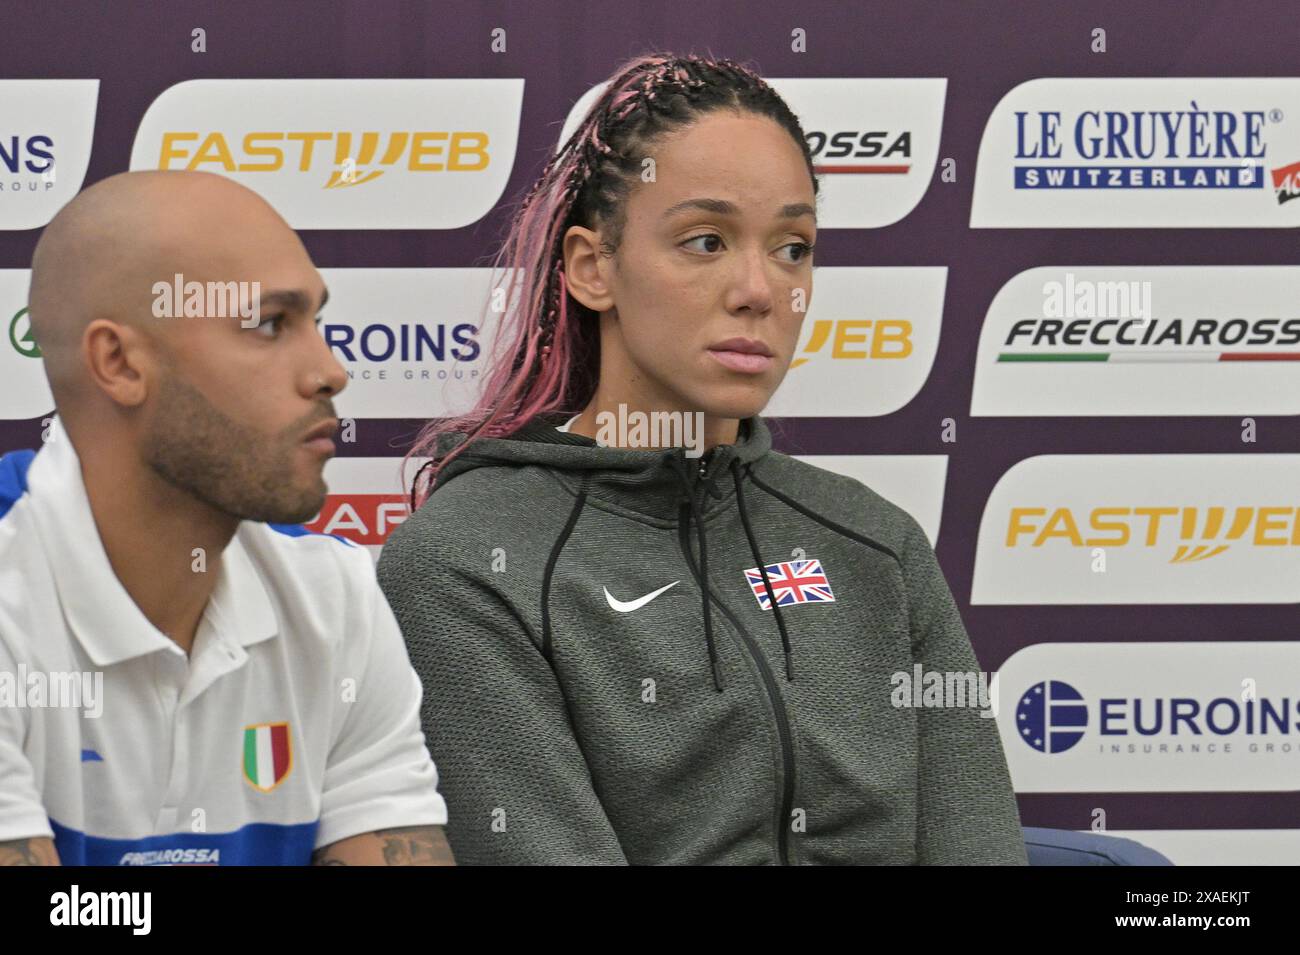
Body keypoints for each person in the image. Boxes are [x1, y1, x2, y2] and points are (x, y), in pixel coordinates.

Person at [377, 53, 1026, 865]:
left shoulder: (876, 544)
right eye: (707, 240)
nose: (760, 287)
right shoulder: (465, 563)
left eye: (794, 247)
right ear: (593, 268)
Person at [0, 170, 453, 866]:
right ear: (118, 363)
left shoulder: (335, 596)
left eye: (316, 321)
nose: (332, 371)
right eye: (271, 323)